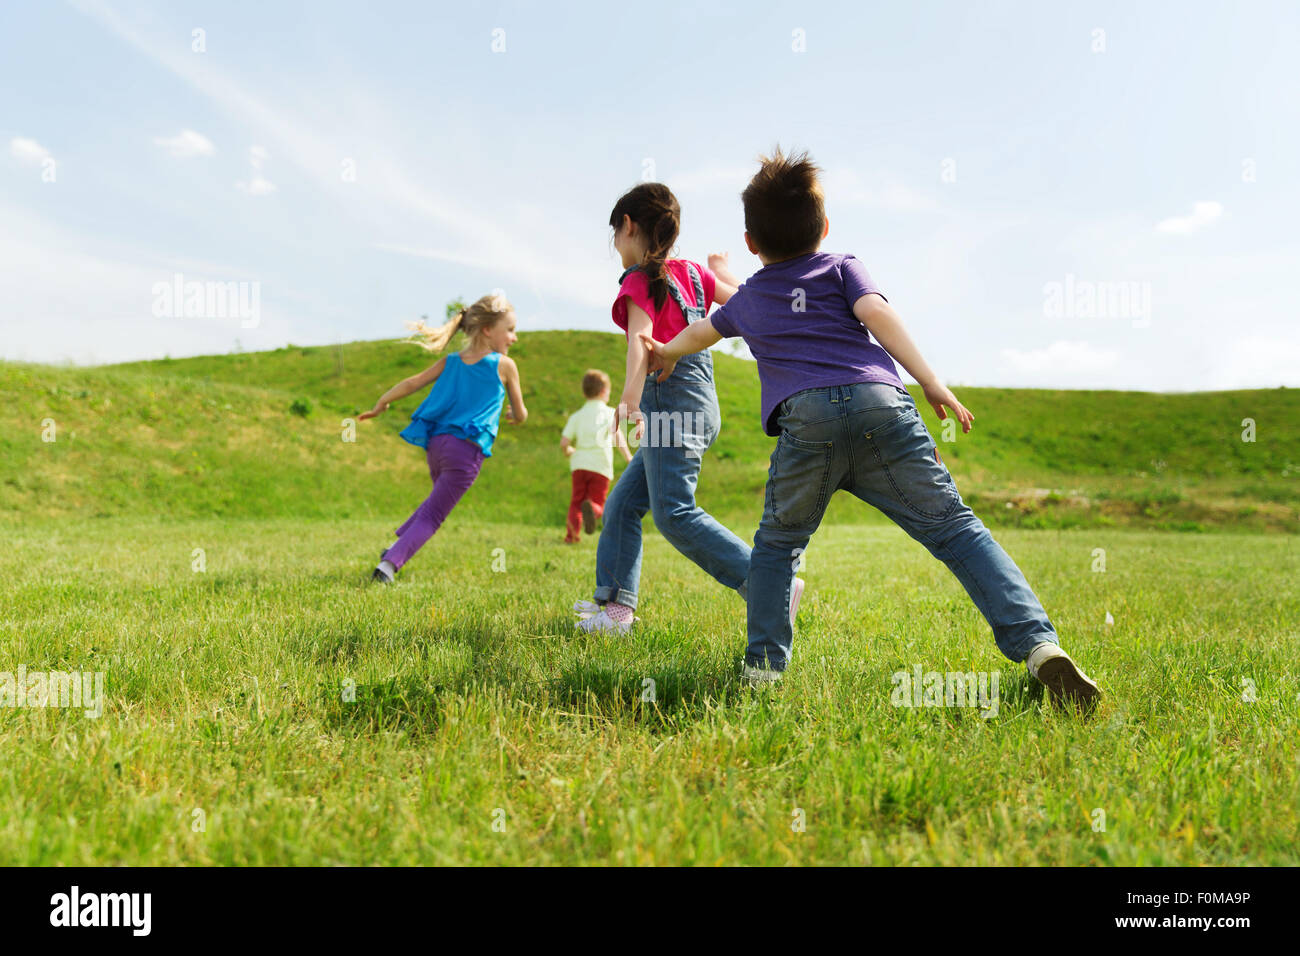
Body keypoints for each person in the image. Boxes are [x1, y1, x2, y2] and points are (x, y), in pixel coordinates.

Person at [641, 148, 1099, 709]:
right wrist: (930, 381)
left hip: (807, 422)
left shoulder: (752, 297)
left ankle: (763, 672)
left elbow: (702, 333)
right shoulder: (841, 266)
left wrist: (664, 351)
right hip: (883, 407)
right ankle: (1039, 647)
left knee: (777, 547)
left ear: (752, 242)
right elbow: (879, 316)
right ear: (825, 228)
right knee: (956, 530)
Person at [574, 182, 803, 636]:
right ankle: (616, 612)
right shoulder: (694, 273)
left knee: (674, 512)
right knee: (622, 505)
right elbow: (744, 302)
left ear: (629, 226)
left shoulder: (640, 279)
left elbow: (641, 344)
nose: (616, 246)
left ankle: (771, 585)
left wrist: (628, 401)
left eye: (615, 235)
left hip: (668, 406)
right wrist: (725, 271)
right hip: (700, 406)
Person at [360, 294, 527, 583]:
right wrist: (515, 415)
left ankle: (397, 546)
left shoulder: (451, 361)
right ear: (488, 330)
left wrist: (382, 403)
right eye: (510, 330)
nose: (513, 338)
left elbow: (413, 382)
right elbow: (522, 414)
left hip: (437, 446)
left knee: (434, 501)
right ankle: (389, 565)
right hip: (466, 453)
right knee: (434, 515)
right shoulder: (504, 366)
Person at [561, 369, 632, 544]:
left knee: (575, 502)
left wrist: (568, 451)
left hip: (579, 464)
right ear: (603, 392)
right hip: (600, 465)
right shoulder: (609, 413)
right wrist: (629, 458)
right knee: (598, 501)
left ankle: (572, 536)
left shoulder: (577, 416)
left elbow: (564, 442)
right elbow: (618, 437)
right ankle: (592, 509)